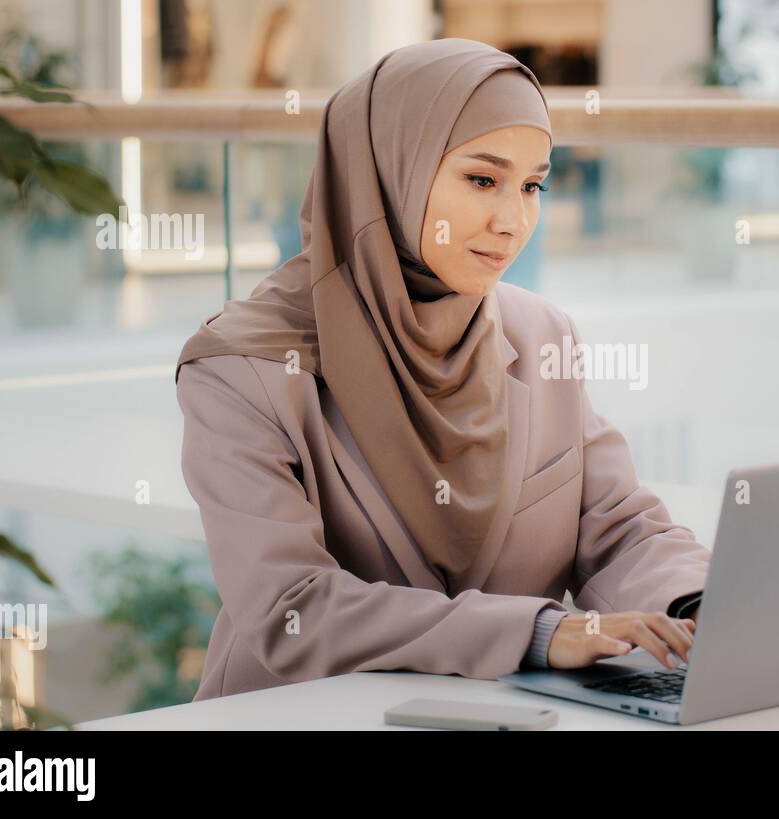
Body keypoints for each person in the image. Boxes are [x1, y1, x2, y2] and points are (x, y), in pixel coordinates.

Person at [173, 38, 709, 701]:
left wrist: (699, 605)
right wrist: (536, 632)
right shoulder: (242, 369)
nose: (513, 221)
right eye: (482, 179)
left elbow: (618, 527)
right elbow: (294, 608)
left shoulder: (540, 334)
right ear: (390, 171)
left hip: (505, 715)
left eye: (533, 185)